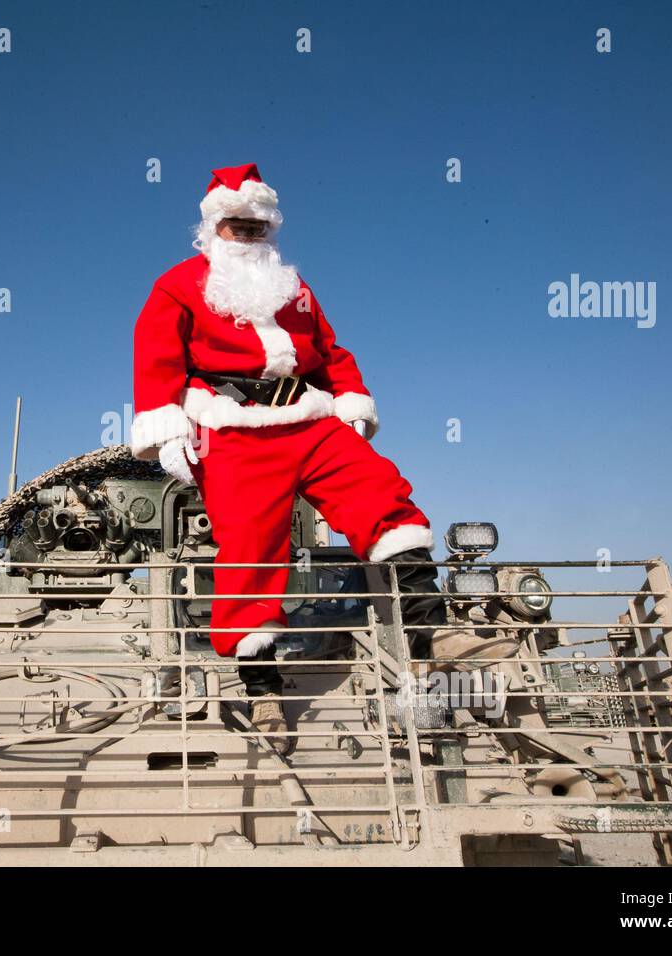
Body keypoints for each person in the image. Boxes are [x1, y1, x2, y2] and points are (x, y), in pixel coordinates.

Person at [129, 163, 456, 754]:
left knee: (382, 495)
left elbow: (331, 350)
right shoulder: (177, 284)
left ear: (270, 229)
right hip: (232, 429)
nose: (247, 236)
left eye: (257, 227)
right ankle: (263, 688)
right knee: (251, 550)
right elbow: (156, 357)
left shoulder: (296, 288)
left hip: (308, 416)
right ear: (213, 227)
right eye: (236, 225)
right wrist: (169, 428)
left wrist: (351, 398)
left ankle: (431, 635)